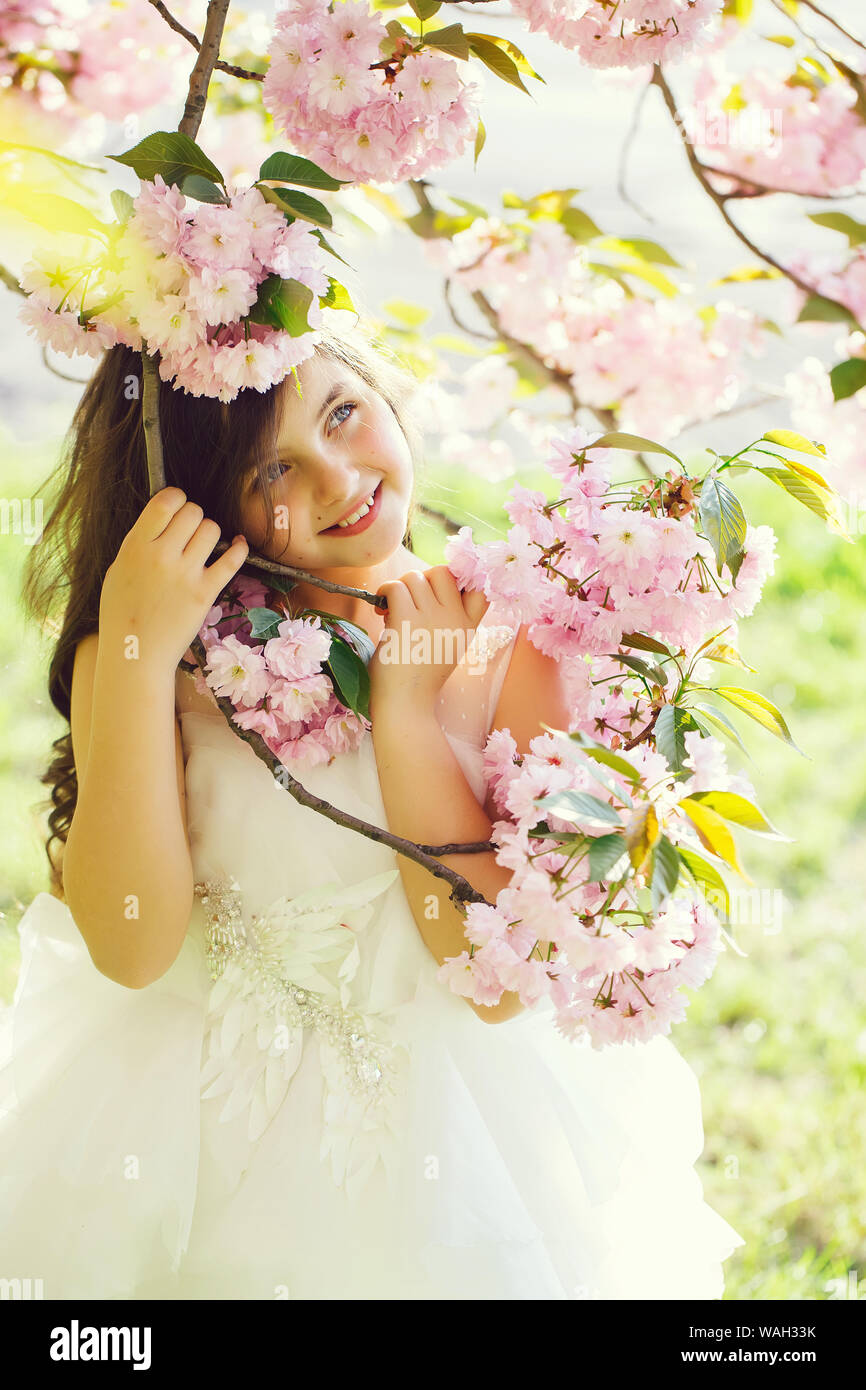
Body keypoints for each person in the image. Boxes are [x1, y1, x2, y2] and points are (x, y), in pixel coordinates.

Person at [0, 325, 744, 1300]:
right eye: (273, 467)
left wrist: (404, 718)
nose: (338, 478)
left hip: (451, 1129)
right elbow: (131, 947)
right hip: (196, 1116)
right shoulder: (160, 665)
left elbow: (488, 980)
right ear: (192, 500)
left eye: (342, 412)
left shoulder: (507, 636)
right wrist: (138, 645)